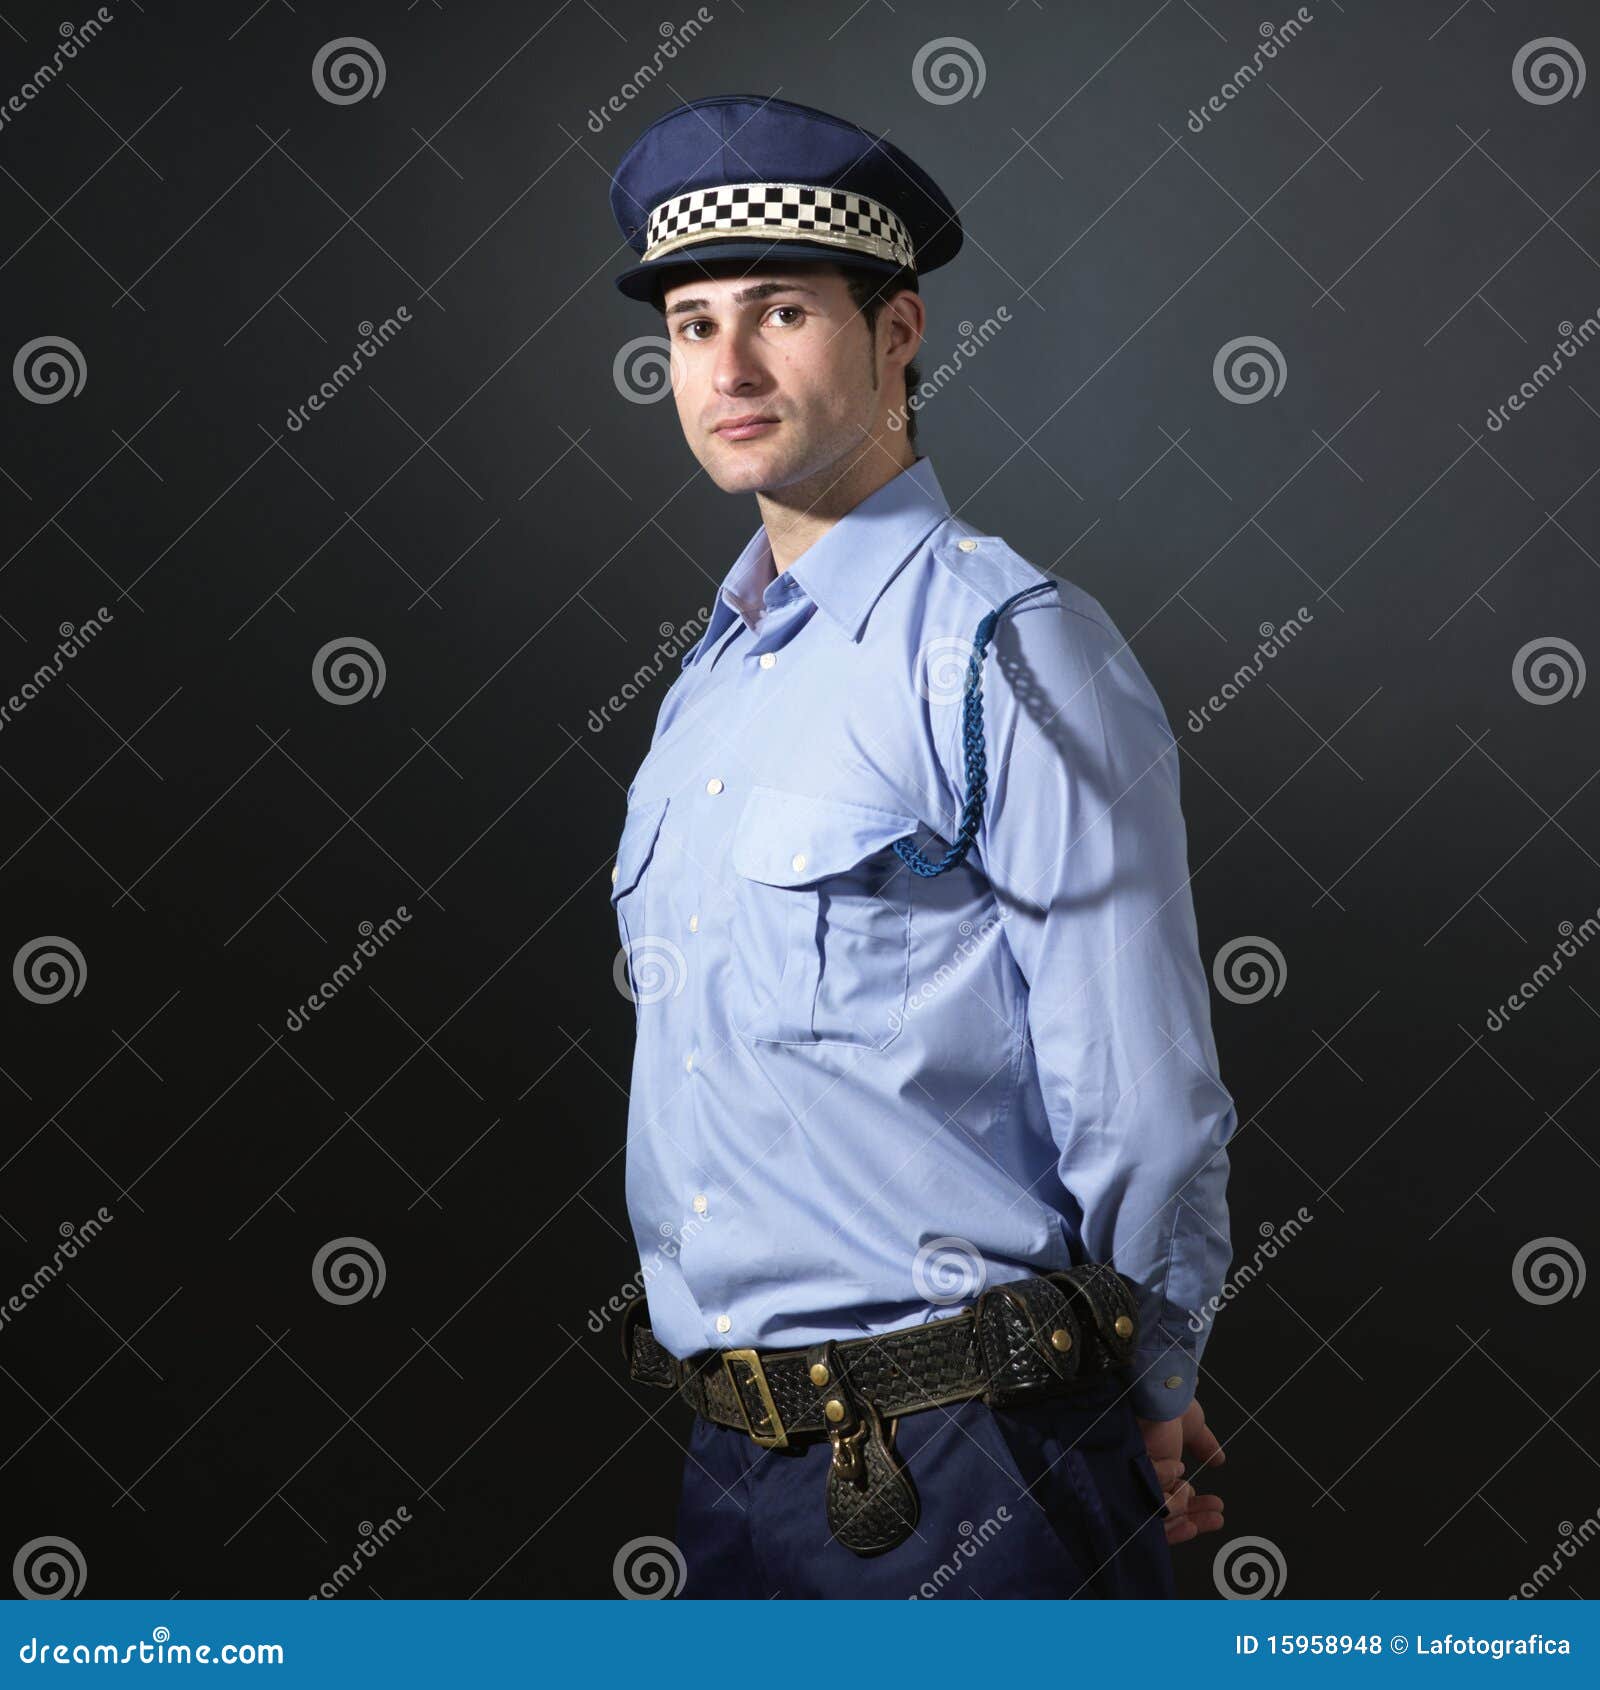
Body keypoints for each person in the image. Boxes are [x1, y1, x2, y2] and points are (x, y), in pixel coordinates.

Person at [605, 93, 1236, 1599]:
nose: (730, 367)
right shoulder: (706, 687)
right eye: (693, 325)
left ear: (900, 333)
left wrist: (1153, 1381)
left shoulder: (1007, 647)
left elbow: (1144, 1105)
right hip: (729, 1462)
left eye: (780, 312)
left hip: (973, 1465)